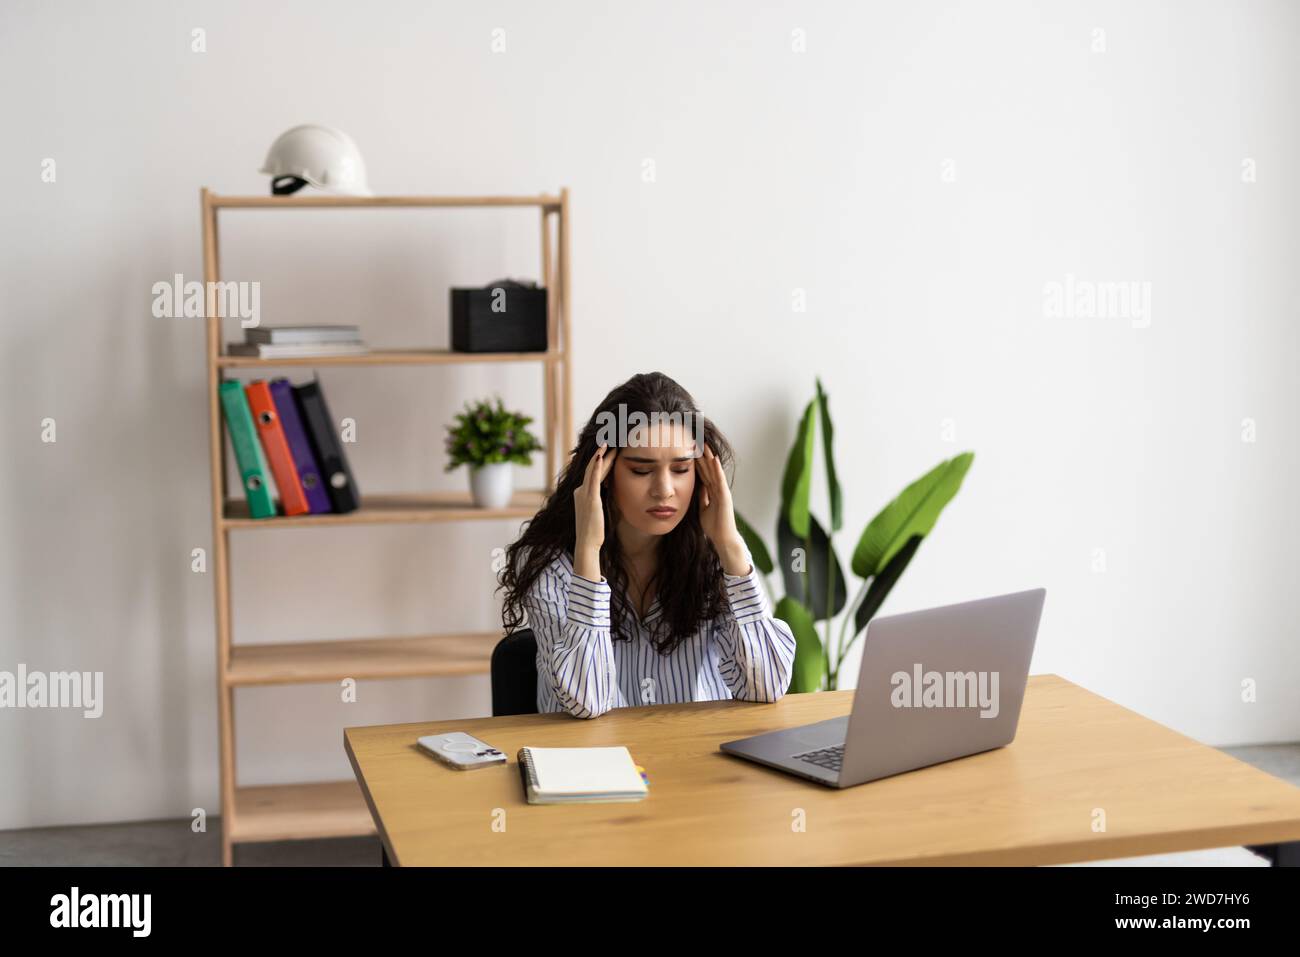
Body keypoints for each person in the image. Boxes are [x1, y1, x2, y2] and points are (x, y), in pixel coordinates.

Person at [498, 372, 797, 718]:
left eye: (682, 469)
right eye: (642, 471)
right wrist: (588, 552)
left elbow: (767, 686)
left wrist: (729, 545)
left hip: (697, 761)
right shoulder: (552, 565)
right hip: (596, 766)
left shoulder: (718, 555)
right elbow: (586, 702)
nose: (665, 489)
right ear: (604, 474)